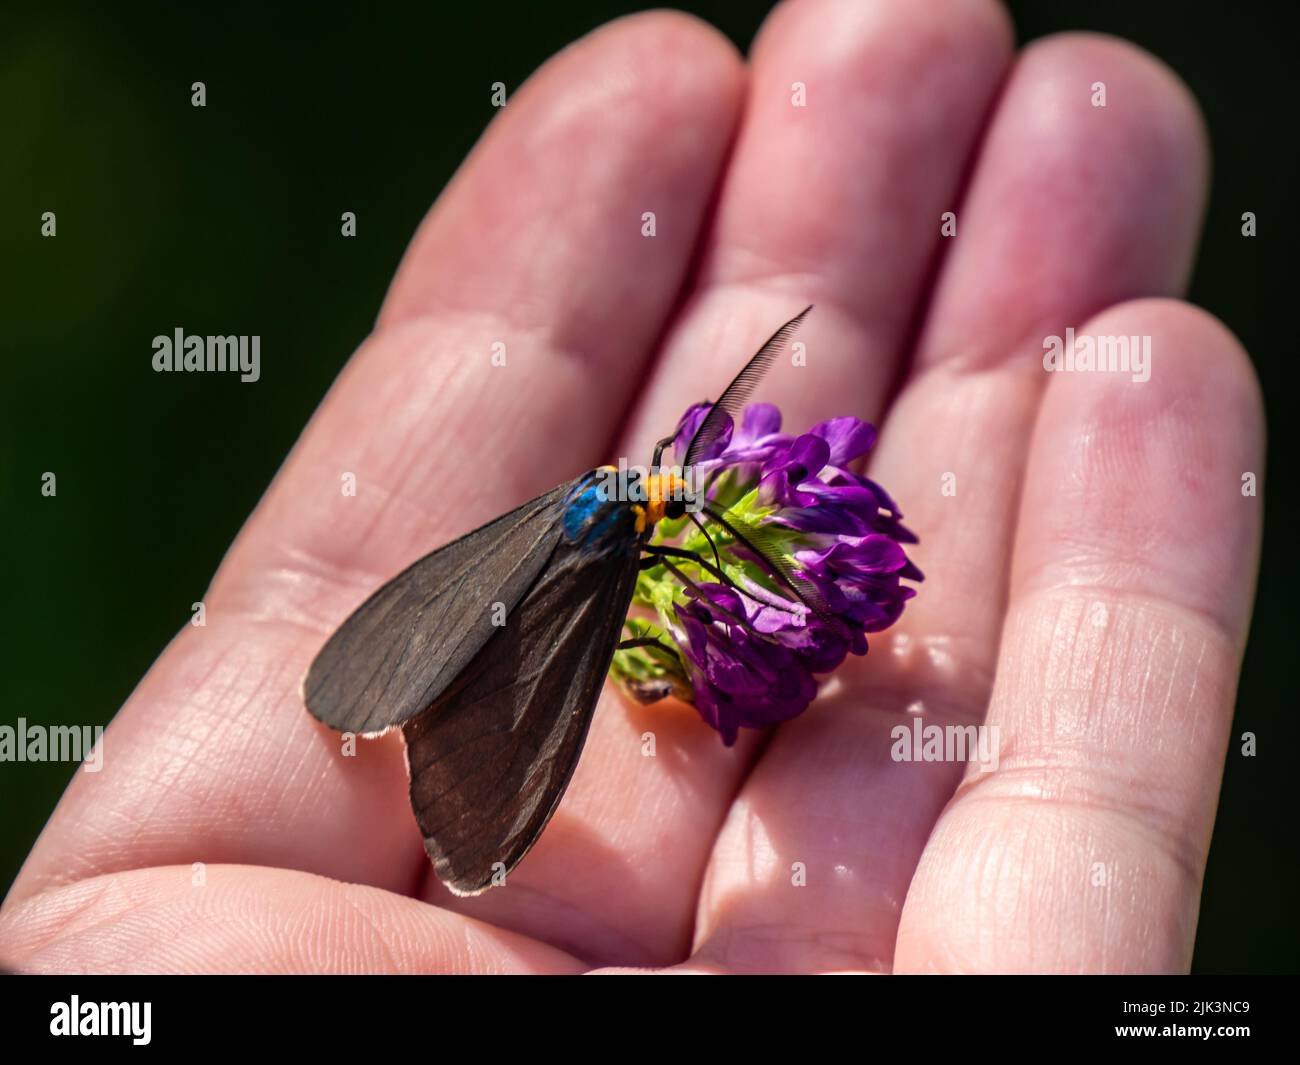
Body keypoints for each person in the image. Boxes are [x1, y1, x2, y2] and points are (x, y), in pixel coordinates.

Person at [0, 0, 1262, 973]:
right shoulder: (636, 531)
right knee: (537, 646)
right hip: (565, 580)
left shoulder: (629, 509)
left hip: (570, 555)